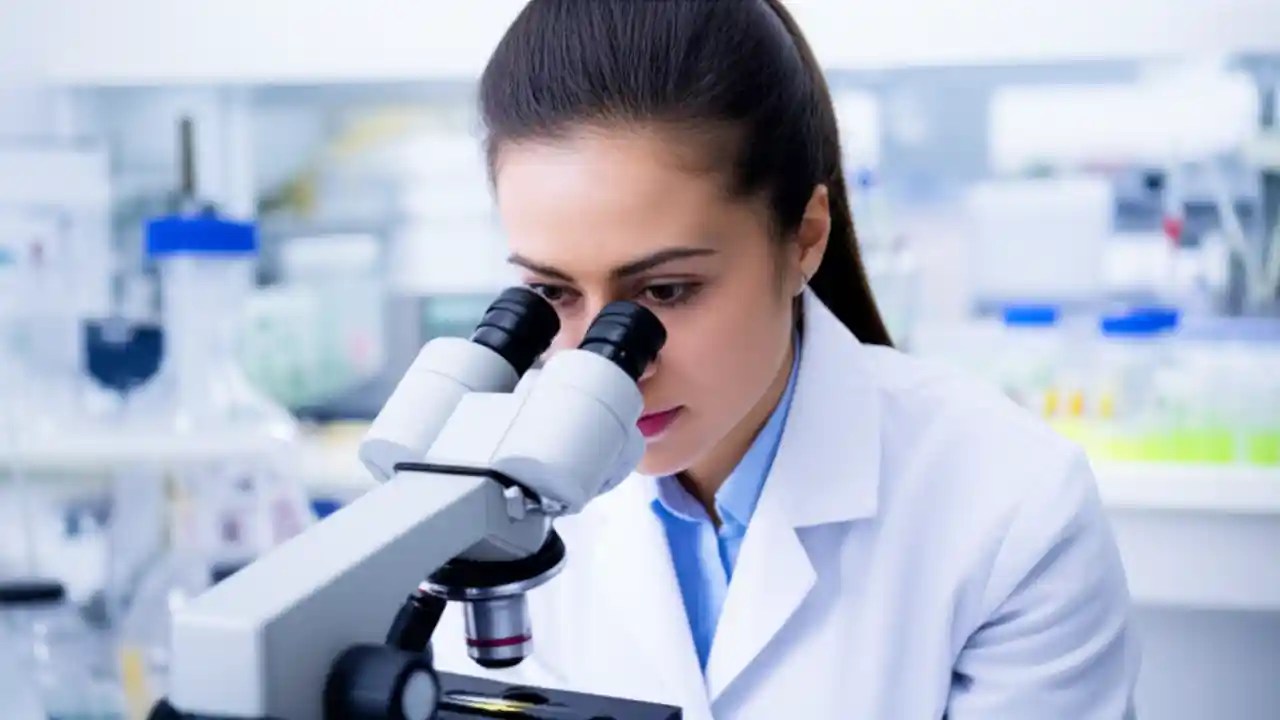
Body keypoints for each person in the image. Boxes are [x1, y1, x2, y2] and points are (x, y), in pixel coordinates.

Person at [431, 1, 1140, 718]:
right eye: (552, 293)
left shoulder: (1011, 509)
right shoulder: (489, 507)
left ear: (803, 236)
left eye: (667, 290)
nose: (606, 365)